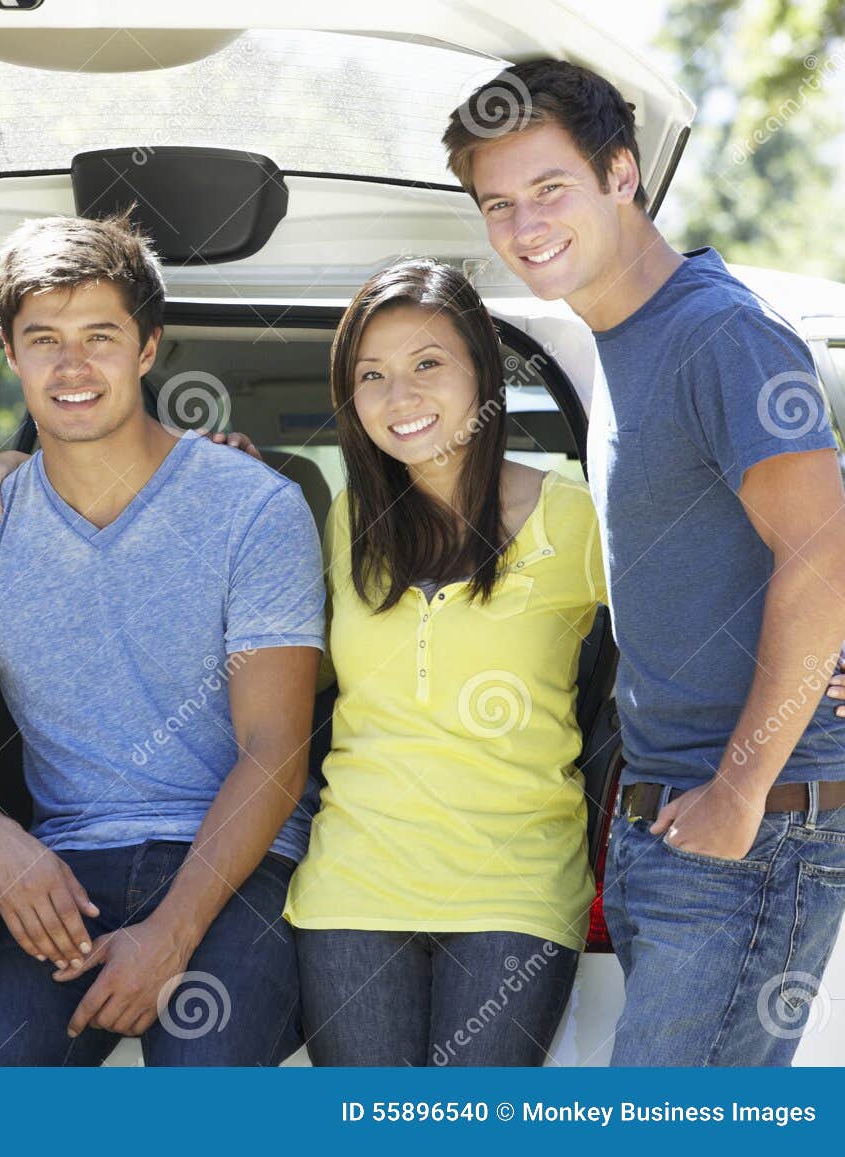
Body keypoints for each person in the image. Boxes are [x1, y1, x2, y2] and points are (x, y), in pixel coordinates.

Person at [445, 58, 845, 1065]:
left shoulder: (718, 333)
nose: (523, 223)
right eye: (497, 203)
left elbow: (825, 550)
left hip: (752, 835)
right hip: (668, 820)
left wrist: (740, 791)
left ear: (621, 172)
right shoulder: (624, 341)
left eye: (549, 189)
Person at [0, 210, 323, 1066]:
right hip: (66, 876)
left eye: (100, 335)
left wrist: (171, 935)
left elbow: (274, 751)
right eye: (44, 338)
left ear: (146, 348)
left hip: (242, 870)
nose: (72, 365)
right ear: (10, 356)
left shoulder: (255, 508)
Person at [285, 258, 598, 1065]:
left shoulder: (576, 519)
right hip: (351, 887)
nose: (402, 398)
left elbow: (708, 605)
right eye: (373, 375)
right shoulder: (348, 518)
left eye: (428, 365)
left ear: (483, 373)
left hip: (515, 889)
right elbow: (301, 675)